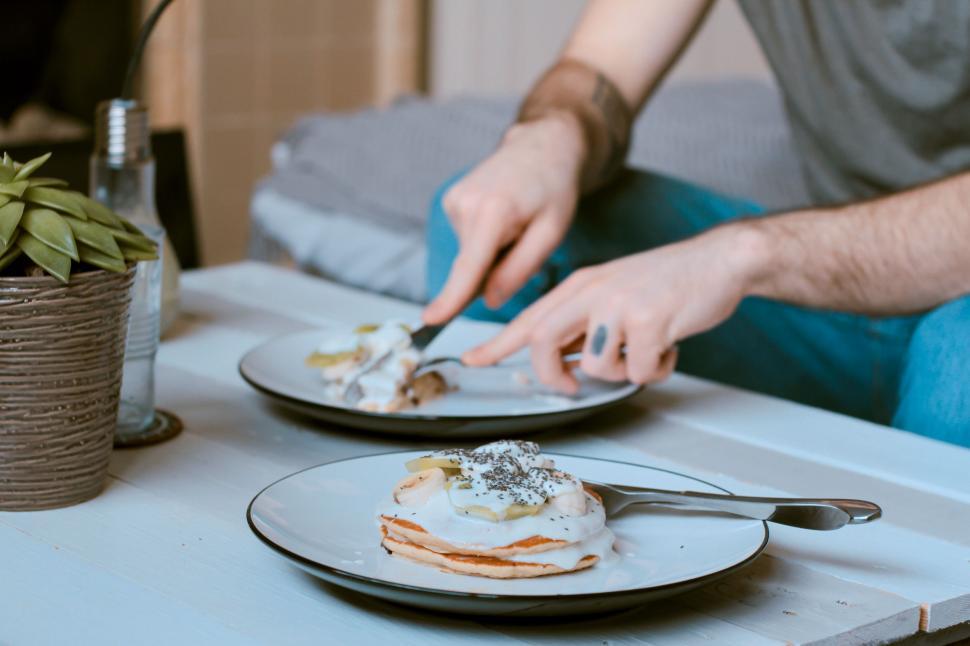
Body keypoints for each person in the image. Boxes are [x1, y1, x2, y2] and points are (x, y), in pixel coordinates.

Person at [422, 0, 970, 447]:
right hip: (828, 304)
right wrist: (553, 134)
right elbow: (599, 67)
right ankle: (502, 513)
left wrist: (743, 256)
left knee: (956, 367)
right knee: (495, 224)